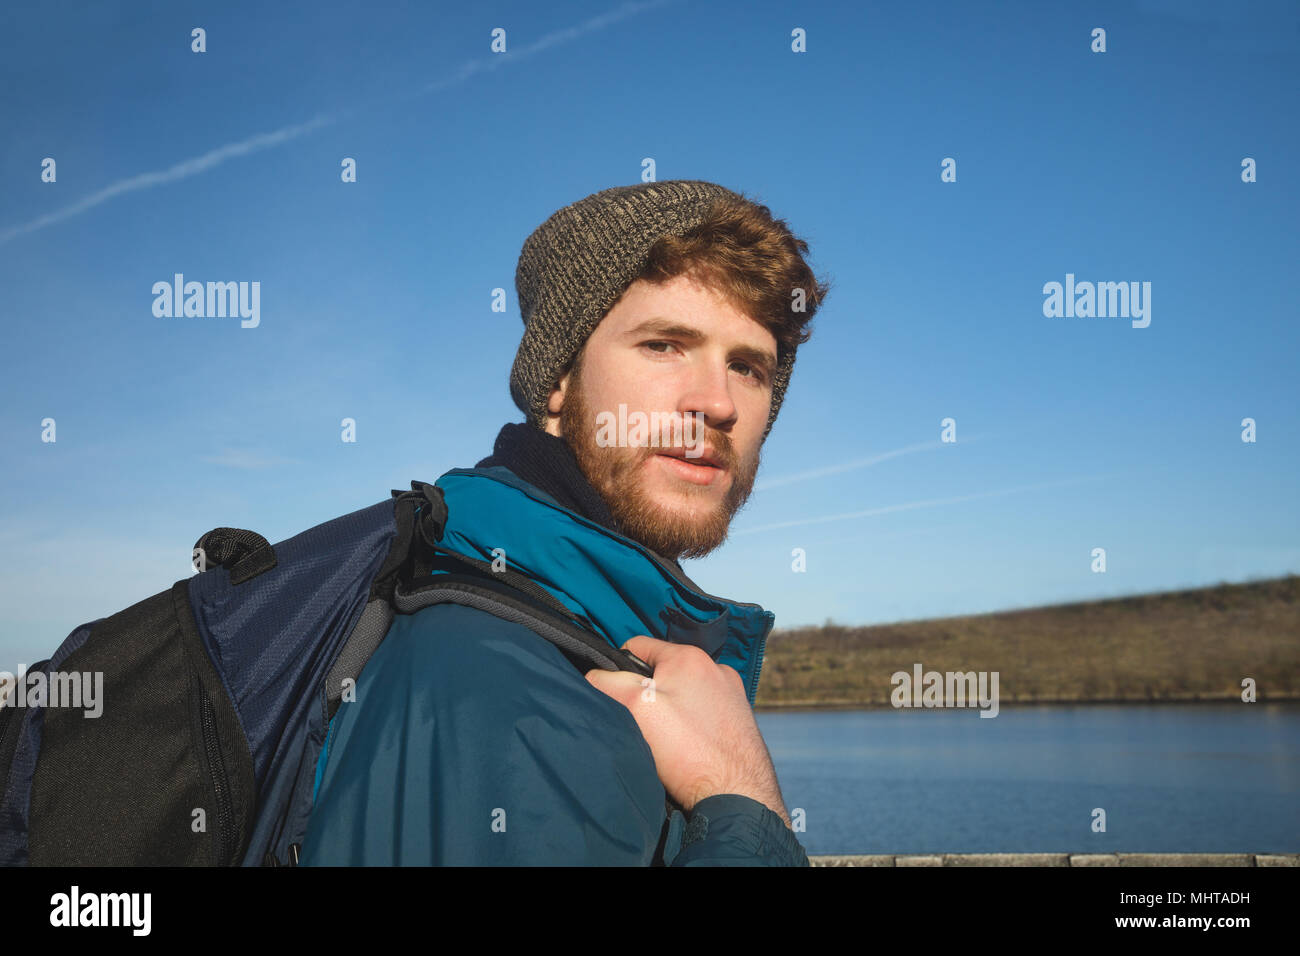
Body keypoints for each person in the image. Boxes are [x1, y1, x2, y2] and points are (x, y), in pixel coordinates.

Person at [300, 179, 830, 865]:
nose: (717, 402)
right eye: (664, 344)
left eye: (748, 366)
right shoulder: (501, 695)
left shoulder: (568, 629)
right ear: (556, 383)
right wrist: (743, 801)